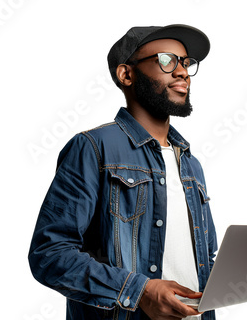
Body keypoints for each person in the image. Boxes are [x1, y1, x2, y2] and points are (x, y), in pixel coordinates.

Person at [28, 24, 217, 320]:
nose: (181, 71)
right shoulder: (92, 147)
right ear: (126, 74)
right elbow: (49, 255)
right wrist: (139, 291)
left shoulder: (190, 164)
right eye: (167, 60)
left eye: (186, 62)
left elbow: (204, 257)